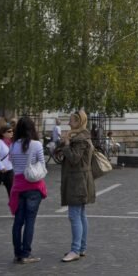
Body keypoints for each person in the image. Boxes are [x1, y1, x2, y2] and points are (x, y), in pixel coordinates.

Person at [58, 110, 96, 262]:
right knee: (80, 215)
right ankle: (81, 248)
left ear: (79, 122)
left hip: (77, 181)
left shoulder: (80, 139)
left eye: (72, 121)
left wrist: (67, 144)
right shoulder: (81, 137)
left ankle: (75, 250)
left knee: (74, 215)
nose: (68, 123)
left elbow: (74, 158)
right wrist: (64, 144)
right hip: (79, 179)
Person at [9, 117, 47, 264]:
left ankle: (17, 254)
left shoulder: (12, 145)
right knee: (30, 221)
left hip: (18, 186)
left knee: (18, 222)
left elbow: (13, 164)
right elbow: (43, 166)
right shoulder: (36, 144)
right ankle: (26, 254)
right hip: (33, 186)